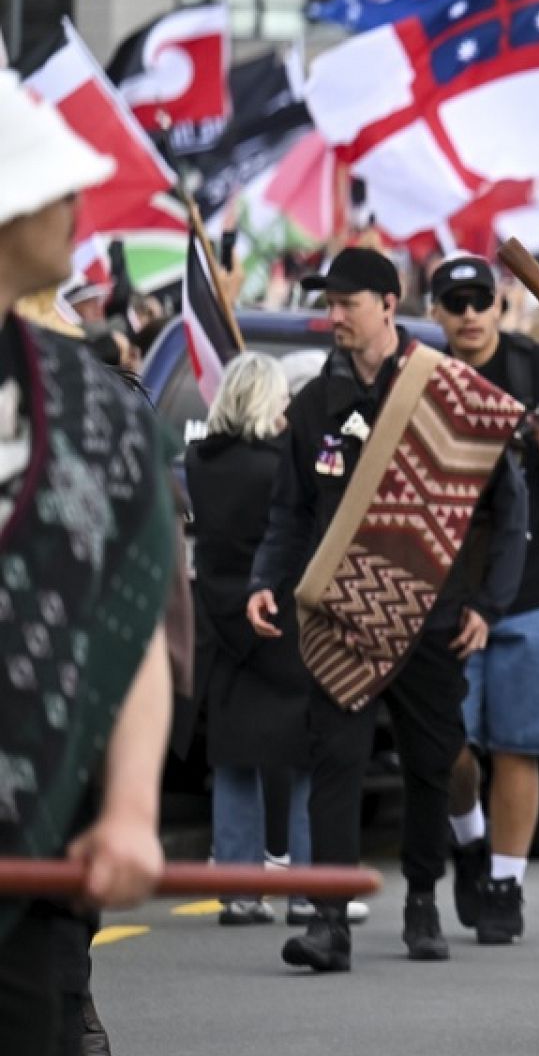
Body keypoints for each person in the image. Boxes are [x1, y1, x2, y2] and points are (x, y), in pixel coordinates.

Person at [248, 246, 529, 971]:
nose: (332, 316)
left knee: (431, 767)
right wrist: (263, 581)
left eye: (345, 303)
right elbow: (289, 511)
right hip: (339, 617)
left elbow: (508, 504)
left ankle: (422, 904)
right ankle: (330, 924)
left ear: (386, 302)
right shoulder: (313, 405)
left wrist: (490, 606)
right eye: (329, 304)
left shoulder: (451, 394)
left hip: (432, 620)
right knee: (335, 763)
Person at [0, 70, 175, 1055]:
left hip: (36, 850)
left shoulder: (99, 409)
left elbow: (131, 625)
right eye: (56, 187)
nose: (80, 209)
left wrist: (133, 812)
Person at [427, 257, 539, 946]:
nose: (469, 313)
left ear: (501, 306)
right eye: (455, 301)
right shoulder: (425, 379)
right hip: (448, 593)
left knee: (519, 746)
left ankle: (504, 882)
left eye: (481, 300)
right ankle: (470, 841)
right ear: (436, 309)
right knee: (449, 744)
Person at [186, 355, 325, 927]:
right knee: (303, 761)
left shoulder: (199, 462)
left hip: (225, 627)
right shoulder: (280, 469)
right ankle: (307, 891)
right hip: (284, 621)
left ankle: (239, 891)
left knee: (235, 762)